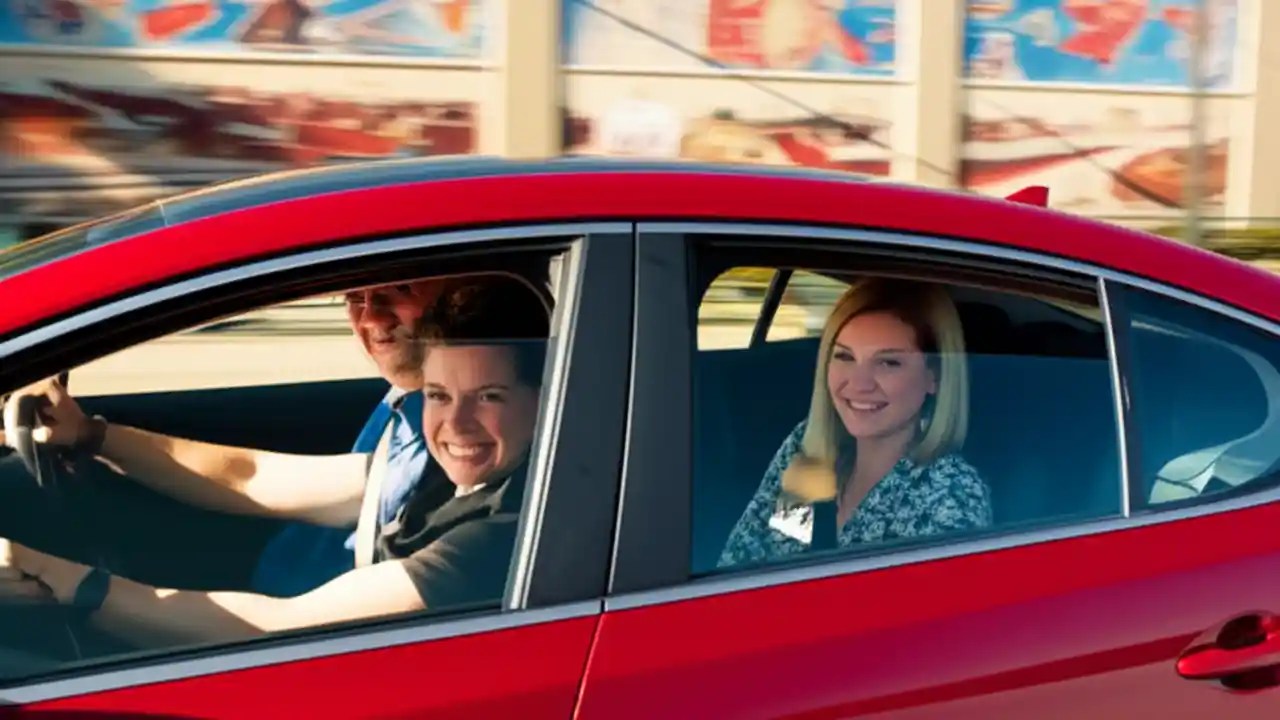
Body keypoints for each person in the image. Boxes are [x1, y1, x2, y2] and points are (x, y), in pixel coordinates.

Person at [0, 275, 550, 648]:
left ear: (550, 395)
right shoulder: (441, 467)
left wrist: (53, 575)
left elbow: (274, 626)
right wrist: (92, 435)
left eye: (491, 396)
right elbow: (255, 478)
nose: (456, 424)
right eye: (438, 394)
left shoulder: (498, 541)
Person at [717, 277, 993, 570]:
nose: (859, 384)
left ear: (934, 377)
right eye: (845, 356)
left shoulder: (950, 494)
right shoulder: (809, 447)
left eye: (888, 362)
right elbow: (747, 556)